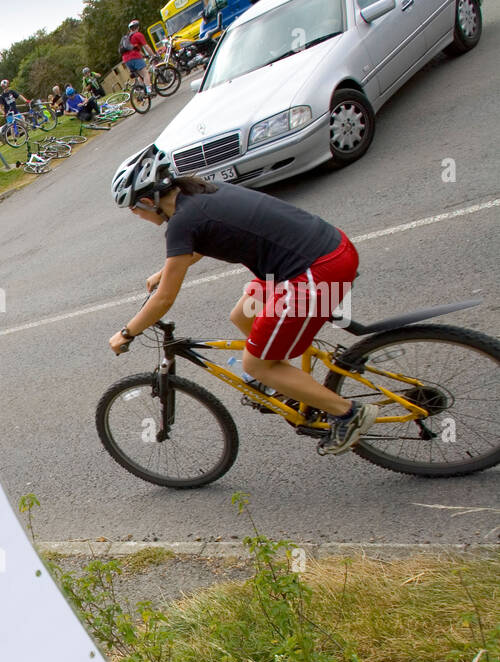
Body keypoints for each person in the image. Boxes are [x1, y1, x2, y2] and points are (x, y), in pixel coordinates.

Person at [107, 145, 375, 456]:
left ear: (146, 200)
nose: (136, 215)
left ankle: (349, 413)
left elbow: (165, 298)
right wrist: (164, 270)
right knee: (243, 315)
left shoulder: (182, 221)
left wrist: (127, 333)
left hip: (316, 270)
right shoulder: (200, 192)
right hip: (321, 250)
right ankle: (287, 380)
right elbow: (207, 238)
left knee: (256, 364)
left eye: (133, 209)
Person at [120, 19, 155, 96]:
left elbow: (136, 49)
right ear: (137, 27)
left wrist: (144, 55)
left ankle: (142, 92)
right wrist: (153, 55)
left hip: (126, 60)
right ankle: (149, 91)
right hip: (135, 57)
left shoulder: (128, 38)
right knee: (145, 73)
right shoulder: (138, 35)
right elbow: (146, 46)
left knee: (140, 75)